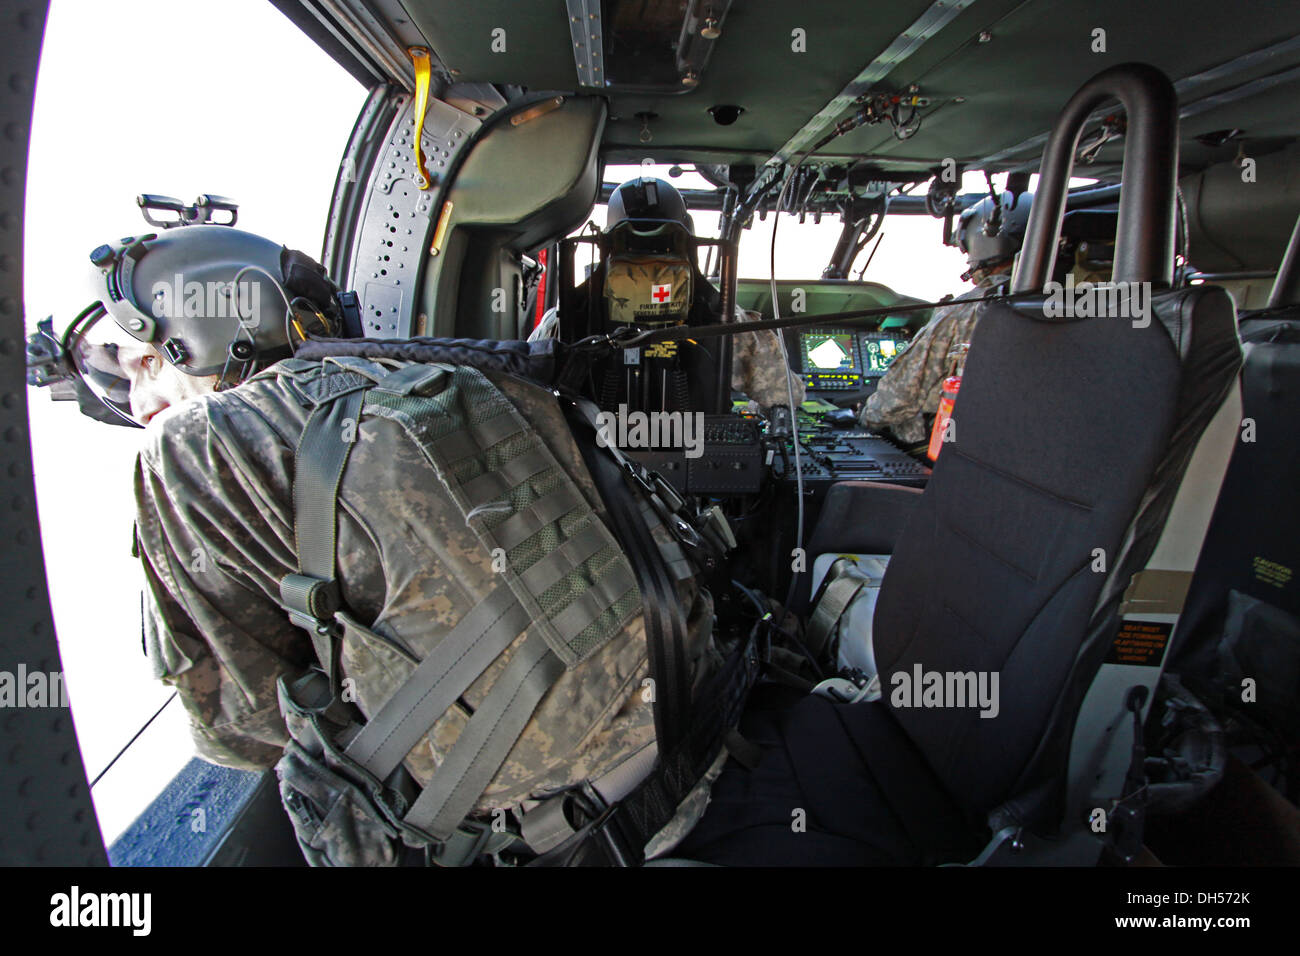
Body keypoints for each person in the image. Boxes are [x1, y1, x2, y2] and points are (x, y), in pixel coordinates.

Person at [51, 221, 721, 865]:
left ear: (204, 332)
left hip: (556, 834)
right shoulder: (456, 375)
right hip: (693, 739)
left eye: (142, 364)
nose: (139, 402)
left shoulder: (195, 446)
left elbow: (242, 727)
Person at [533, 176, 804, 414]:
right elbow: (785, 396)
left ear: (607, 244)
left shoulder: (563, 320)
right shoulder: (728, 320)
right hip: (699, 463)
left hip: (593, 464)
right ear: (687, 242)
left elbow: (527, 388)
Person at [858, 190, 1033, 447]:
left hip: (950, 449)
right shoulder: (1072, 305)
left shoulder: (967, 311)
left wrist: (859, 419)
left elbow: (898, 398)